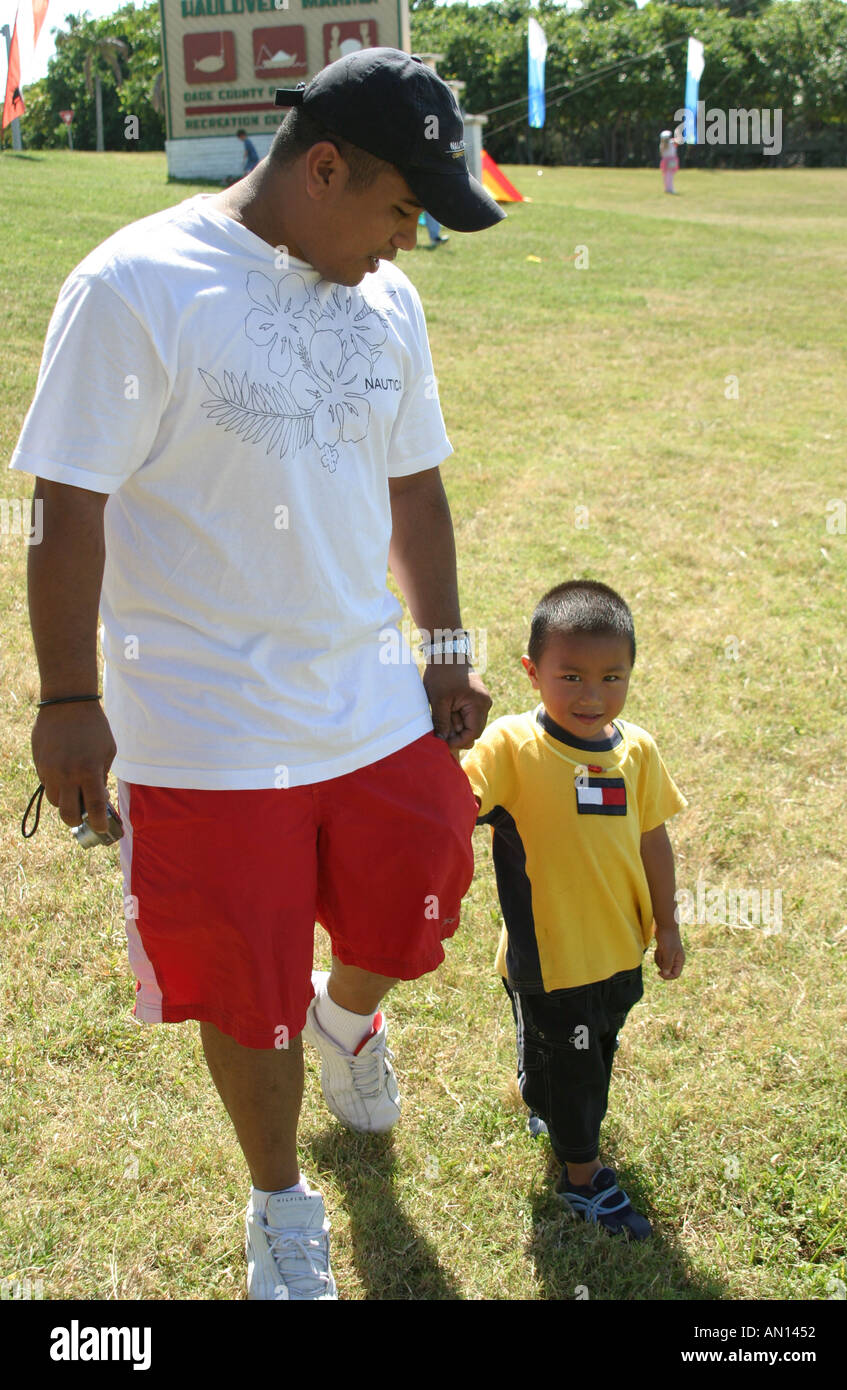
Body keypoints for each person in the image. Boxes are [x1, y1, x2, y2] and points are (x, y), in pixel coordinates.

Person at [11, 48, 505, 1300]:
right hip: (208, 730)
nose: (407, 241)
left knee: (426, 879)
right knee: (247, 987)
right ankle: (280, 1202)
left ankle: (347, 1020)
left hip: (370, 699)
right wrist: (68, 699)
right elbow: (65, 503)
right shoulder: (135, 283)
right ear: (322, 168)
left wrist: (445, 648)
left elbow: (415, 486)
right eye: (401, 208)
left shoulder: (386, 298)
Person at [460, 580, 687, 1239]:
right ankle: (582, 1178)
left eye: (612, 677)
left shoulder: (636, 751)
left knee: (595, 1045)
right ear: (532, 673)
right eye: (571, 676)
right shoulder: (512, 747)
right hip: (551, 960)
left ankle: (545, 1094)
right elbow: (454, 801)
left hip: (619, 951)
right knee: (581, 1069)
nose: (592, 695)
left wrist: (668, 924)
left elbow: (653, 840)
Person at [659, 129, 683, 194]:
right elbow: (678, 142)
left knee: (666, 175)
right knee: (670, 175)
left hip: (665, 161)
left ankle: (667, 188)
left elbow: (661, 154)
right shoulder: (671, 143)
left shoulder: (661, 145)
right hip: (671, 160)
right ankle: (670, 189)